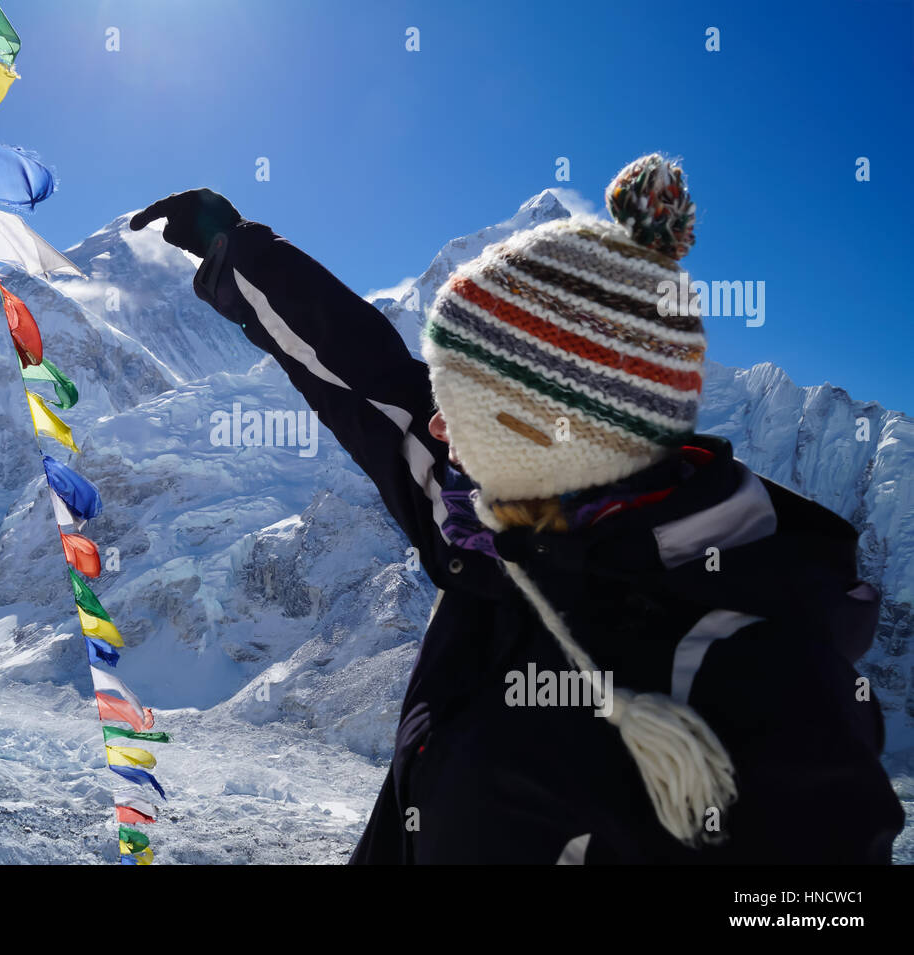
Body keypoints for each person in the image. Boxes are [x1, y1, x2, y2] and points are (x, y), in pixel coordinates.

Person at [130, 155, 904, 863]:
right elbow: (369, 382)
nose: (438, 424)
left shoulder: (766, 682)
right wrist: (237, 250)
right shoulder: (496, 526)